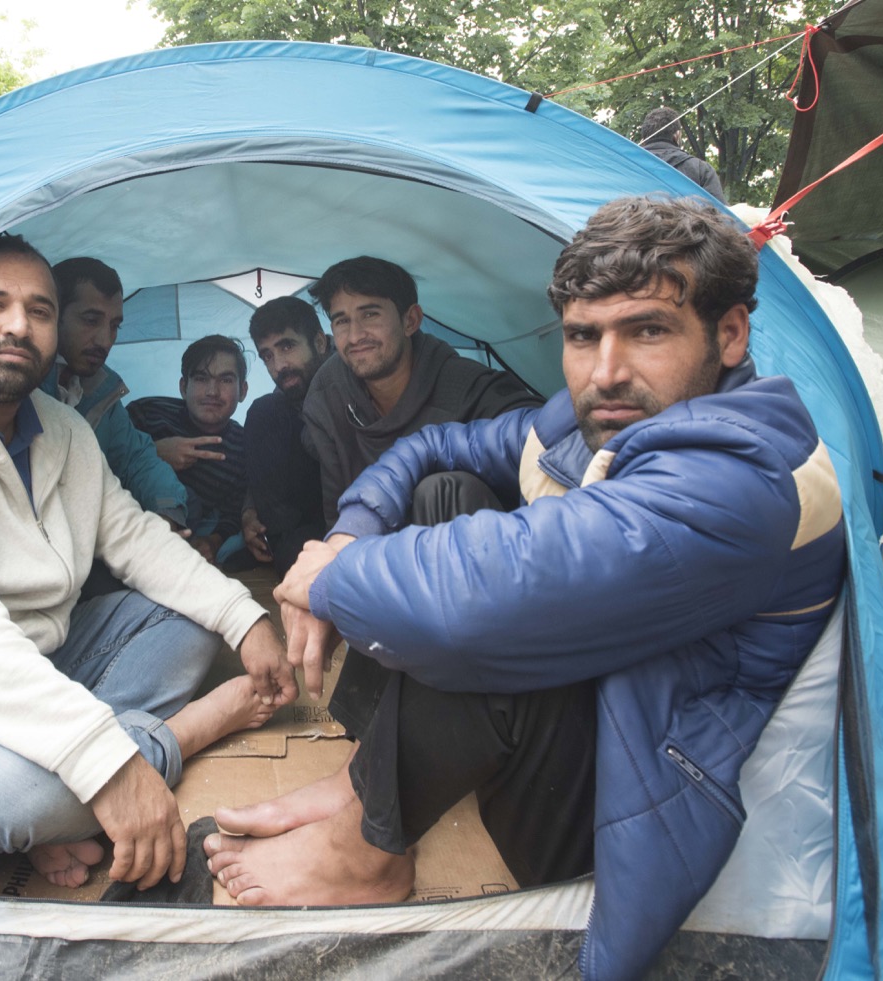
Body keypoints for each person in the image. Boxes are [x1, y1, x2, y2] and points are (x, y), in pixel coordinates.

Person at [204, 197, 847, 979]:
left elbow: (479, 597)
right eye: (583, 336)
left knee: (480, 601)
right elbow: (441, 443)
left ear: (730, 334)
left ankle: (368, 851)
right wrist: (348, 532)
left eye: (648, 329)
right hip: (612, 709)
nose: (607, 370)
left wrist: (328, 579)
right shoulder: (599, 417)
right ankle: (361, 783)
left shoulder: (739, 476)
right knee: (447, 496)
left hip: (643, 784)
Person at [0, 234, 296, 893]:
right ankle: (177, 735)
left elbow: (134, 535)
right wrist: (113, 768)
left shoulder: (62, 427)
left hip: (50, 660)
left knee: (188, 616)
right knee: (20, 800)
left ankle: (84, 780)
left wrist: (246, 617)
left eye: (39, 311)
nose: (19, 324)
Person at [300, 255, 538, 525]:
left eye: (370, 314)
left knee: (441, 490)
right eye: (341, 321)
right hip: (378, 553)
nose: (355, 336)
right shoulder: (327, 398)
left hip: (478, 552)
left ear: (410, 320)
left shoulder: (468, 388)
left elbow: (552, 442)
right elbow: (338, 509)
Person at [40, 257, 190, 527]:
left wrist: (167, 517)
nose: (105, 340)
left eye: (114, 326)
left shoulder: (99, 389)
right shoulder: (23, 384)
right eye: (90, 320)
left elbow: (137, 459)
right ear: (53, 313)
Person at [127, 335, 249, 564]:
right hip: (130, 518)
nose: (212, 391)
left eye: (225, 380)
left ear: (242, 391)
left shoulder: (244, 446)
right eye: (202, 378)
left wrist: (212, 541)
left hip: (194, 529)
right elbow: (99, 461)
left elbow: (233, 513)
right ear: (184, 387)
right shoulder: (146, 413)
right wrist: (154, 452)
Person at [239, 296, 331, 574]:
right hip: (308, 513)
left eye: (287, 347)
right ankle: (274, 540)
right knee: (263, 411)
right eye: (267, 355)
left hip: (355, 505)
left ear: (319, 343)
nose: (279, 366)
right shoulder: (290, 393)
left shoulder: (353, 374)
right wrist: (249, 512)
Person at [639, 106, 725, 200]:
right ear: (677, 135)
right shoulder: (701, 170)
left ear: (643, 140)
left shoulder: (627, 167)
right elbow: (718, 211)